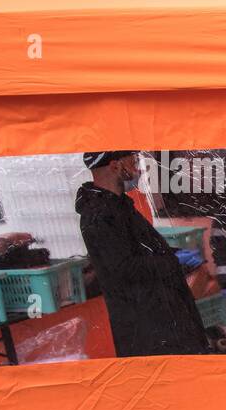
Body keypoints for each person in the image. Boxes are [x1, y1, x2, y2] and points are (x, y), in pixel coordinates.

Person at [76, 150, 210, 358]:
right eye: (133, 161)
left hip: (164, 316)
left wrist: (175, 255)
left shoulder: (119, 205)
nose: (138, 168)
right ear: (115, 166)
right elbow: (124, 268)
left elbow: (142, 250)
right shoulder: (99, 215)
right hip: (147, 327)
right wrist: (173, 261)